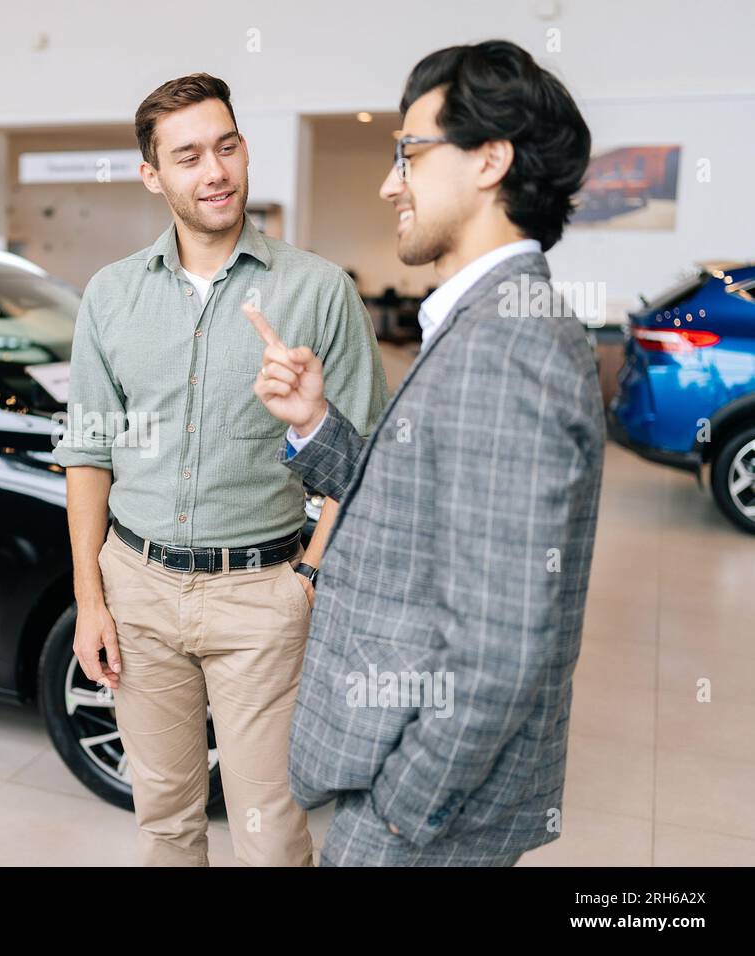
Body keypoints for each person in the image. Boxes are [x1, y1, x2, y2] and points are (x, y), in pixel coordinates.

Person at [246, 39, 602, 866]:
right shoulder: (487, 324)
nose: (388, 182)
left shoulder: (510, 344)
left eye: (409, 153)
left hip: (426, 821)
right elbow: (411, 522)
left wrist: (403, 812)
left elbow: (505, 647)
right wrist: (315, 423)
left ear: (490, 160)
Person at [52, 72, 387, 866]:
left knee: (271, 836)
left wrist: (308, 578)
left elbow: (371, 459)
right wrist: (91, 599)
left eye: (228, 146)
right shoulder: (111, 296)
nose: (216, 172)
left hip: (263, 597)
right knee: (165, 822)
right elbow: (89, 453)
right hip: (136, 589)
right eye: (190, 155)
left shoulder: (318, 289)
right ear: (153, 174)